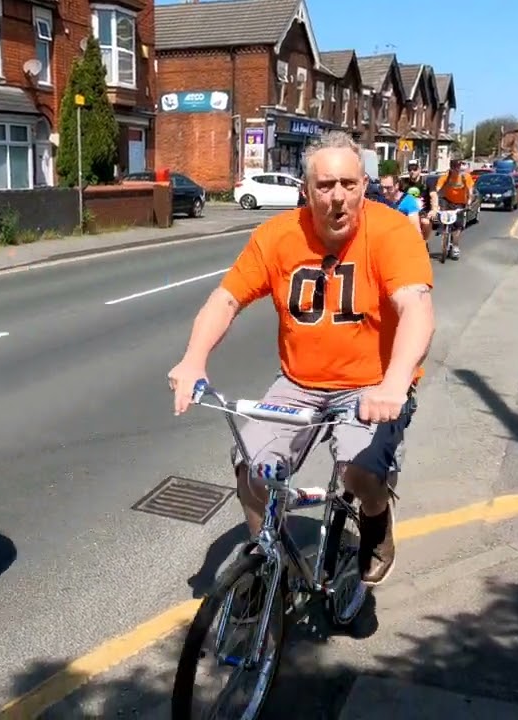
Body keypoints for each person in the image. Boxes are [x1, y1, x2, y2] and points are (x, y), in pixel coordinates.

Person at [167, 131, 435, 588]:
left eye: (349, 184)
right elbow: (226, 299)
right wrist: (193, 360)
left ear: (364, 185)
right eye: (325, 186)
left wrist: (394, 383)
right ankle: (268, 567)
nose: (338, 197)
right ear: (306, 191)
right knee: (252, 470)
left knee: (358, 471)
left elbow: (416, 308)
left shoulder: (391, 231)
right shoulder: (277, 236)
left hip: (373, 385)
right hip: (299, 383)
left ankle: (375, 516)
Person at [431, 158, 475, 260]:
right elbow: (437, 189)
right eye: (454, 167)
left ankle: (455, 246)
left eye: (458, 167)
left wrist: (469, 202)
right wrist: (435, 204)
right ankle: (443, 231)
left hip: (460, 203)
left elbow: (470, 191)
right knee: (442, 215)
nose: (456, 169)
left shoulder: (465, 177)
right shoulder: (446, 176)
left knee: (457, 225)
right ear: (451, 167)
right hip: (447, 200)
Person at [397, 160, 434, 243]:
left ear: (419, 169)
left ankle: (424, 242)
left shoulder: (426, 182)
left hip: (423, 212)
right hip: (407, 212)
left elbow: (433, 196)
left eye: (414, 169)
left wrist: (434, 209)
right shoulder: (403, 183)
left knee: (425, 222)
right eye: (410, 169)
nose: (412, 171)